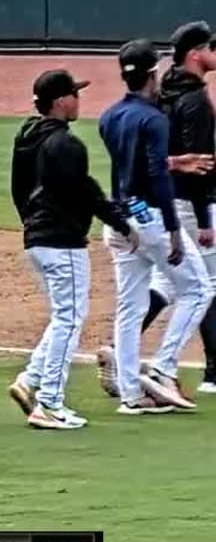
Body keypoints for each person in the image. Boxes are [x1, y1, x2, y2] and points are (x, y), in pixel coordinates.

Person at [8, 70, 137, 430]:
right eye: (74, 95)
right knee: (70, 318)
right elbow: (85, 192)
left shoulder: (27, 138)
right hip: (61, 241)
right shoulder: (65, 144)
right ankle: (49, 402)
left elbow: (19, 190)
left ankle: (31, 380)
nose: (79, 100)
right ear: (61, 101)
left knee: (63, 315)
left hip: (37, 239)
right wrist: (120, 222)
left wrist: (31, 223)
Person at [98, 38, 216, 414]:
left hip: (119, 218)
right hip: (150, 217)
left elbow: (133, 165)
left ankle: (132, 396)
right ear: (153, 72)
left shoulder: (110, 116)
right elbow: (155, 177)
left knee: (130, 307)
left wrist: (175, 162)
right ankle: (164, 369)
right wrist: (173, 230)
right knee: (199, 289)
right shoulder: (153, 119)